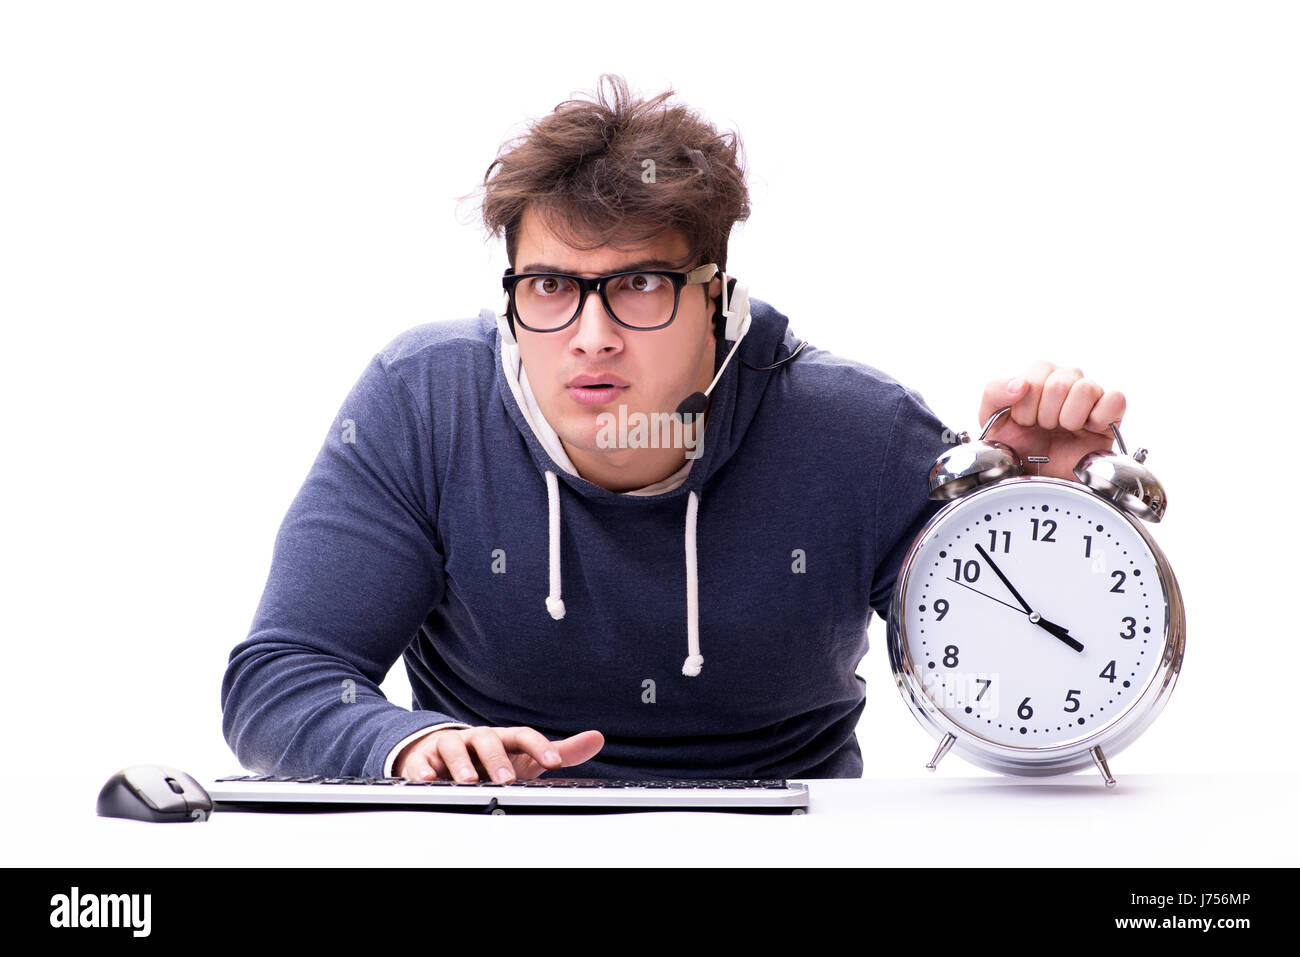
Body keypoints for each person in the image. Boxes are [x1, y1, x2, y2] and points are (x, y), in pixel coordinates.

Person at [220, 75, 1127, 784]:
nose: (591, 334)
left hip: (796, 847)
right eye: (550, 287)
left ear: (718, 304)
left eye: (640, 284)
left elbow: (1027, 715)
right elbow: (283, 675)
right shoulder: (422, 404)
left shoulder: (860, 431)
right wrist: (415, 744)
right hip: (498, 840)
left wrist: (1045, 521)